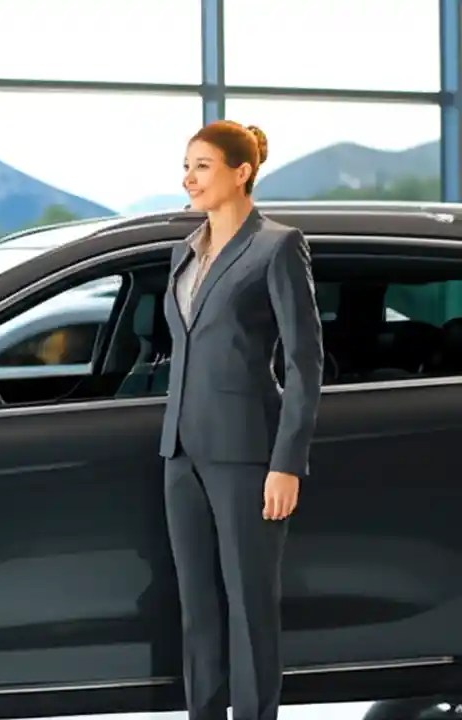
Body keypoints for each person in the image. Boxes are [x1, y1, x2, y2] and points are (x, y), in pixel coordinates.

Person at [159, 120, 324, 720]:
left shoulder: (277, 246)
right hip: (180, 453)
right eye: (186, 165)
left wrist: (287, 463)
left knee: (250, 609)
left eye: (202, 165)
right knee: (197, 609)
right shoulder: (184, 252)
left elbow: (306, 362)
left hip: (247, 454)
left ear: (241, 171)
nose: (188, 177)